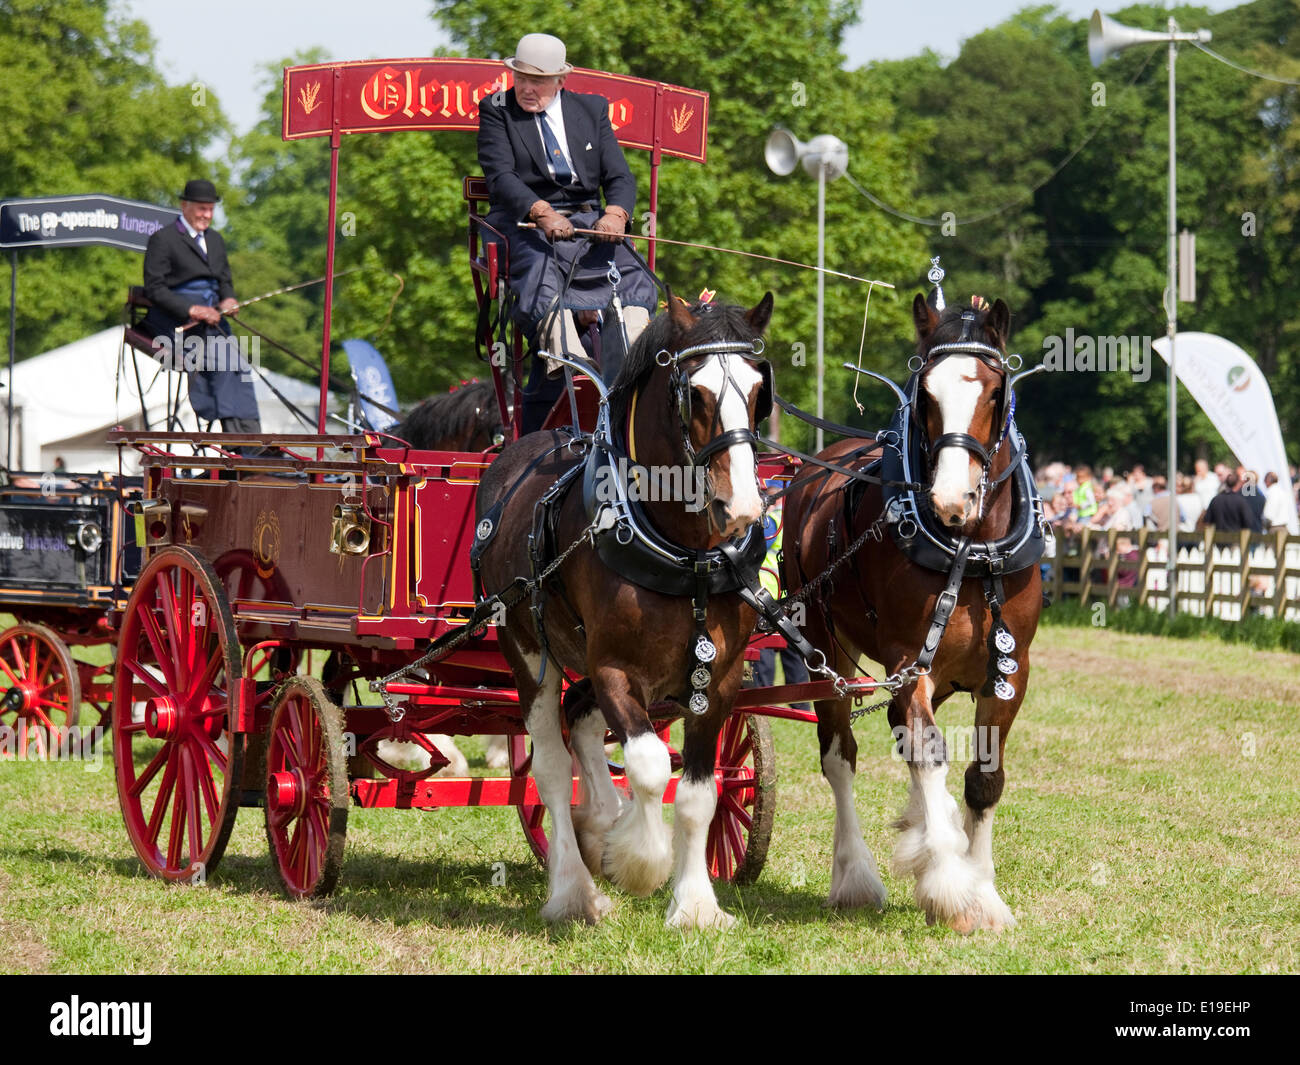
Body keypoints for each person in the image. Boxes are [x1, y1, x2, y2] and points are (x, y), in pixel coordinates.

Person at [477, 33, 656, 395]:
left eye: (538, 81)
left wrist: (616, 215)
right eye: (521, 79)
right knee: (539, 267)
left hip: (589, 223)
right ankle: (573, 366)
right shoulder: (496, 109)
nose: (527, 89)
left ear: (560, 80)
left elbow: (619, 175)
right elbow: (501, 177)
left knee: (633, 270)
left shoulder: (591, 109)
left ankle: (634, 362)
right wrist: (542, 213)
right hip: (523, 223)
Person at [142, 179, 261, 435]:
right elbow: (155, 288)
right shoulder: (163, 239)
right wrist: (192, 310)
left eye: (211, 209)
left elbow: (224, 282)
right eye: (201, 209)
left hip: (215, 322)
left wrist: (228, 300)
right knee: (226, 362)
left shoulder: (216, 240)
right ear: (184, 205)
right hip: (179, 324)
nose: (207, 215)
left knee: (241, 367)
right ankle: (239, 444)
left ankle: (253, 440)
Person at [1198, 472, 1262, 533]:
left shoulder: (1215, 500)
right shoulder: (1241, 501)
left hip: (1218, 540)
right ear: (1238, 483)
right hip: (1236, 540)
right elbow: (1248, 522)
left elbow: (1207, 520)